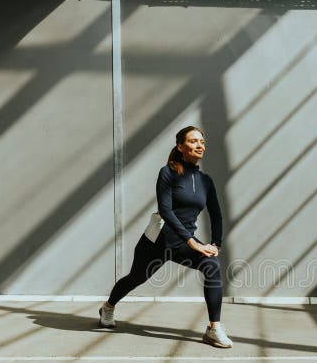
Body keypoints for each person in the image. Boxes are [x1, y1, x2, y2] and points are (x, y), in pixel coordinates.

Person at [98, 126, 233, 348]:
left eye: (202, 141)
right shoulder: (167, 172)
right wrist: (193, 242)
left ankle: (213, 329)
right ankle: (108, 307)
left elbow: (216, 214)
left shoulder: (205, 181)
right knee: (135, 278)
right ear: (180, 146)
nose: (200, 145)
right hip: (158, 241)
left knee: (212, 264)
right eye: (193, 141)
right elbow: (166, 210)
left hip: (185, 241)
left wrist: (216, 243)